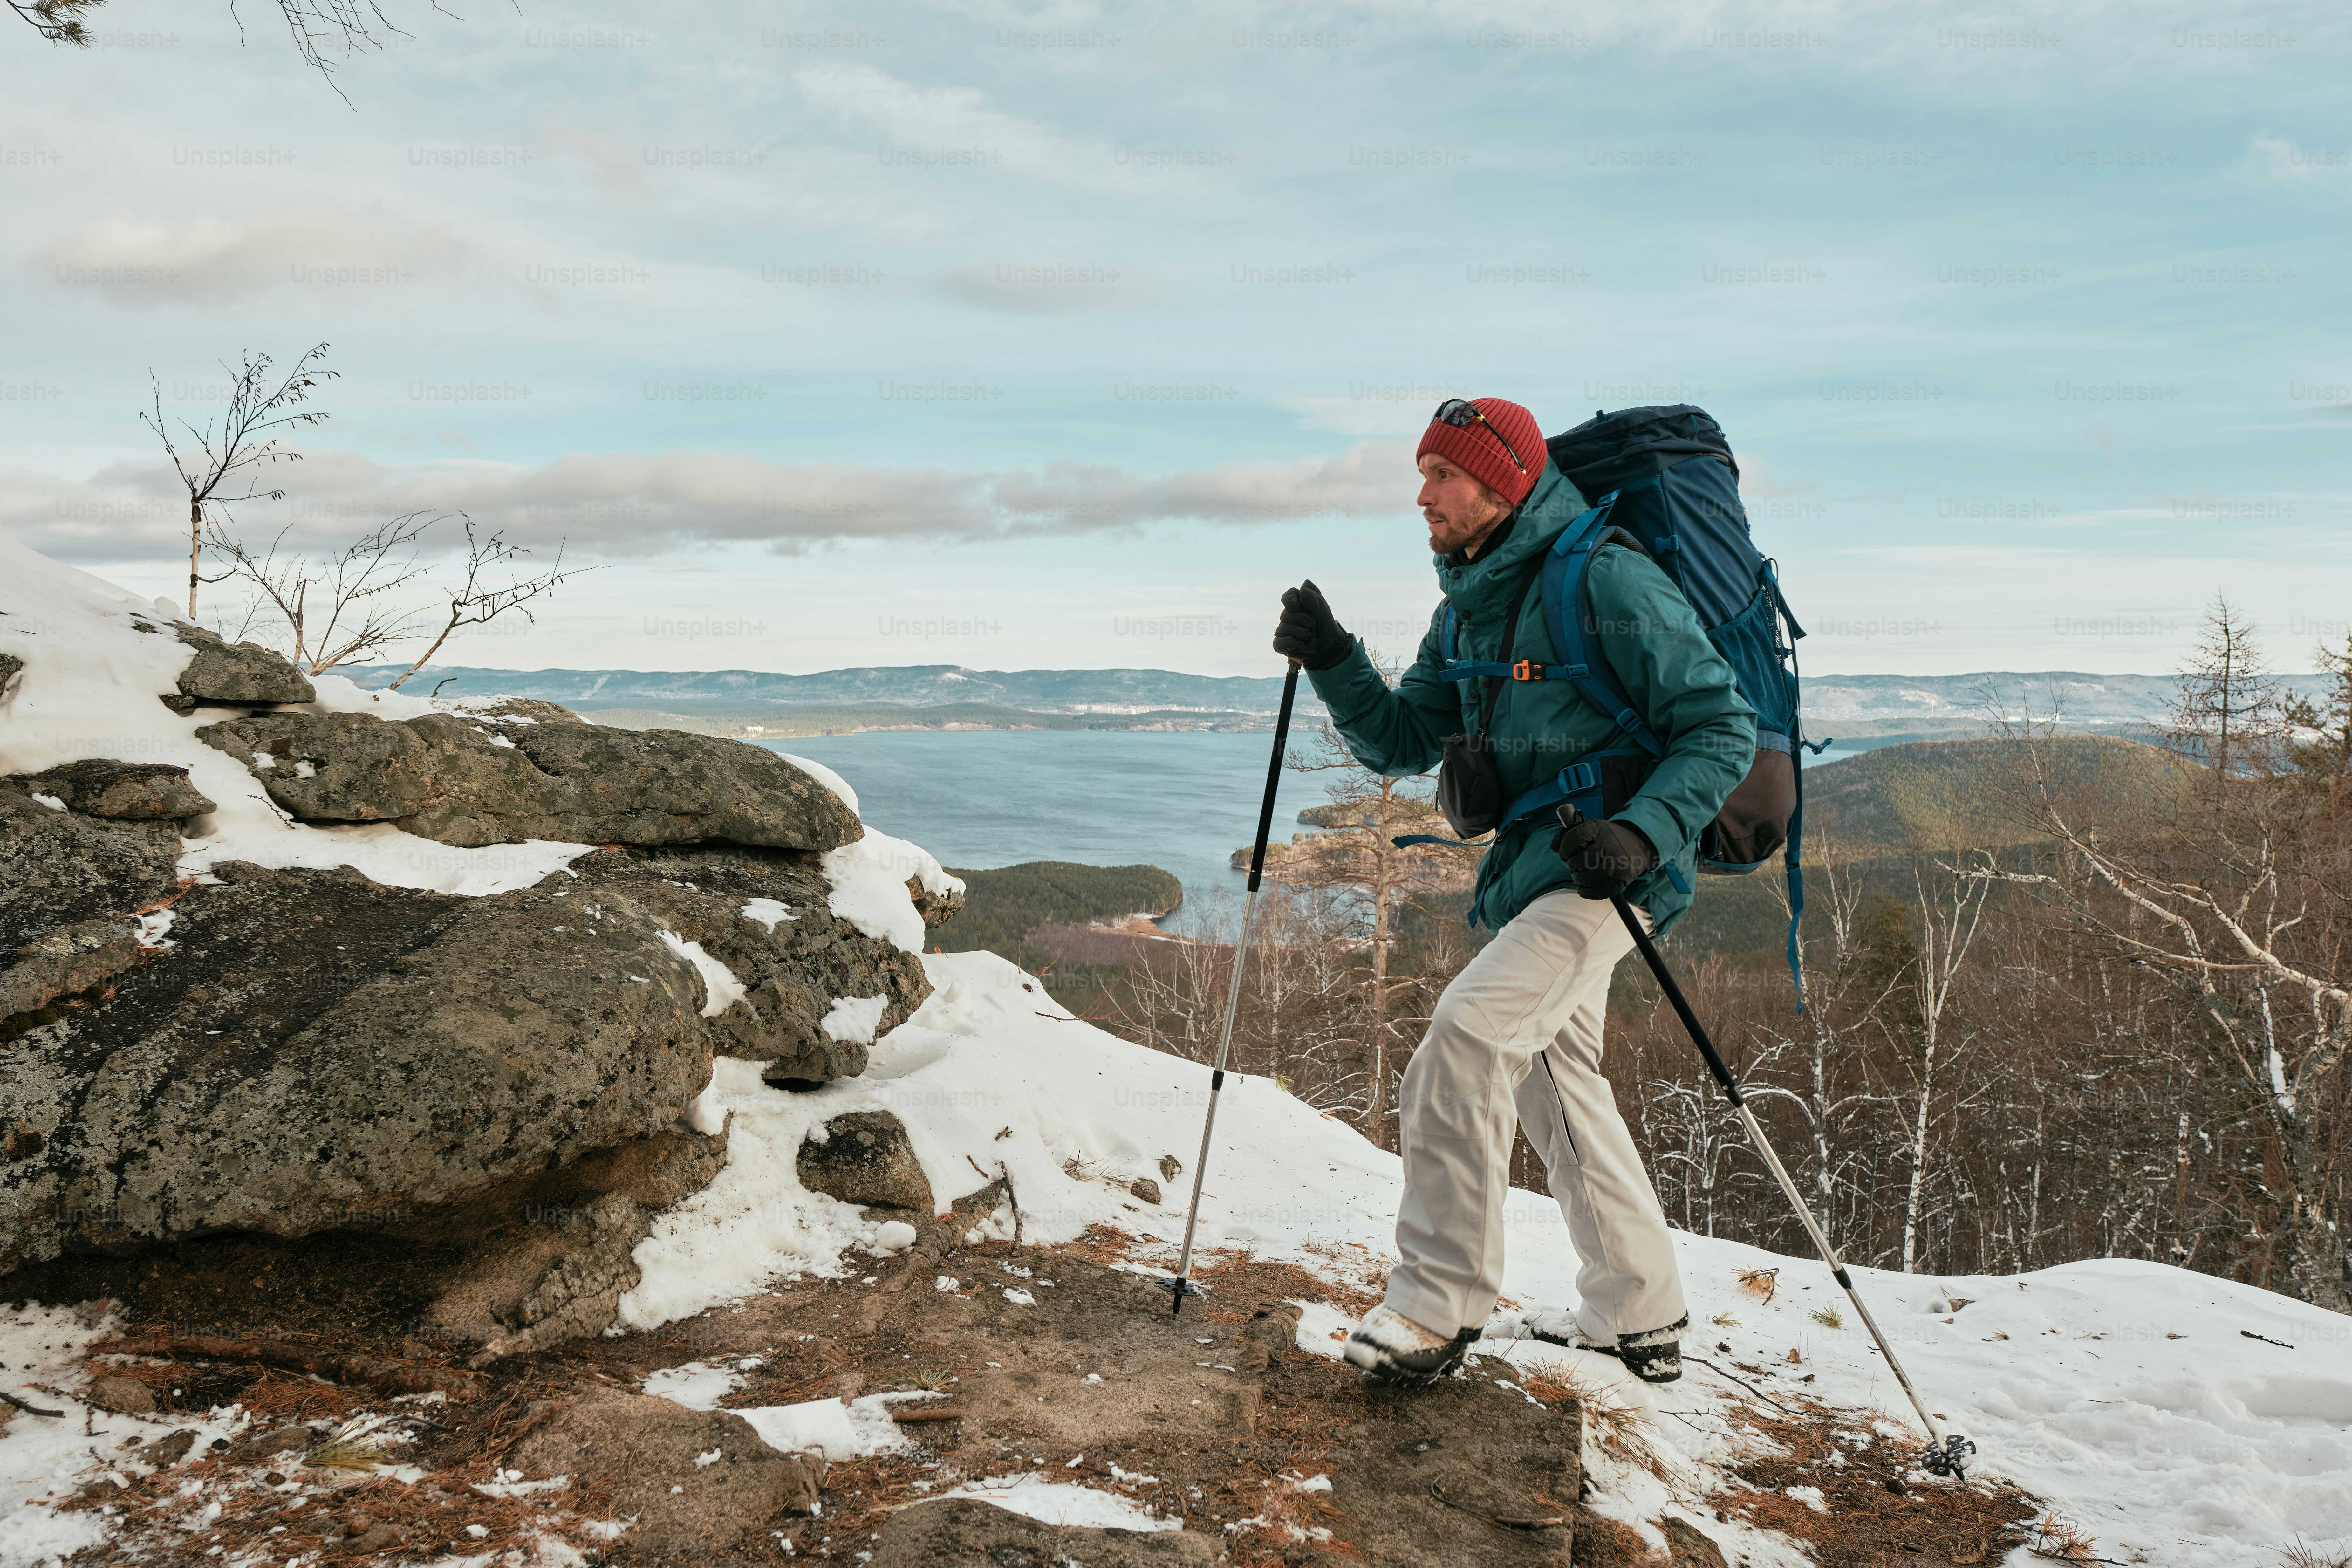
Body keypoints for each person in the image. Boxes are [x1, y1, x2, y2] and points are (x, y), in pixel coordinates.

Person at [1271, 396, 1754, 1386]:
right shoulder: (1468, 604)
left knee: (1469, 1036)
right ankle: (1640, 1309)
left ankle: (1436, 1305)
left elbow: (1721, 724)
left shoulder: (1607, 578)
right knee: (1554, 1078)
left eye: (1440, 475)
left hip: (1615, 874)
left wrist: (1643, 831)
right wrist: (1333, 659)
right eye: (1423, 474)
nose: (1422, 495)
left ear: (1503, 483)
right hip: (1539, 875)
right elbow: (1402, 741)